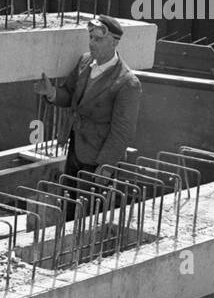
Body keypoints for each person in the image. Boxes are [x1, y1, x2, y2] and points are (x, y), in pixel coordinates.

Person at [34, 14, 141, 183]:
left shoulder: (127, 83)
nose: (91, 43)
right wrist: (52, 92)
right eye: (91, 37)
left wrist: (106, 167)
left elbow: (122, 132)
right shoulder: (85, 61)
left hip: (98, 159)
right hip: (75, 148)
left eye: (98, 40)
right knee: (68, 201)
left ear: (114, 42)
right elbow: (70, 94)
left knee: (90, 207)